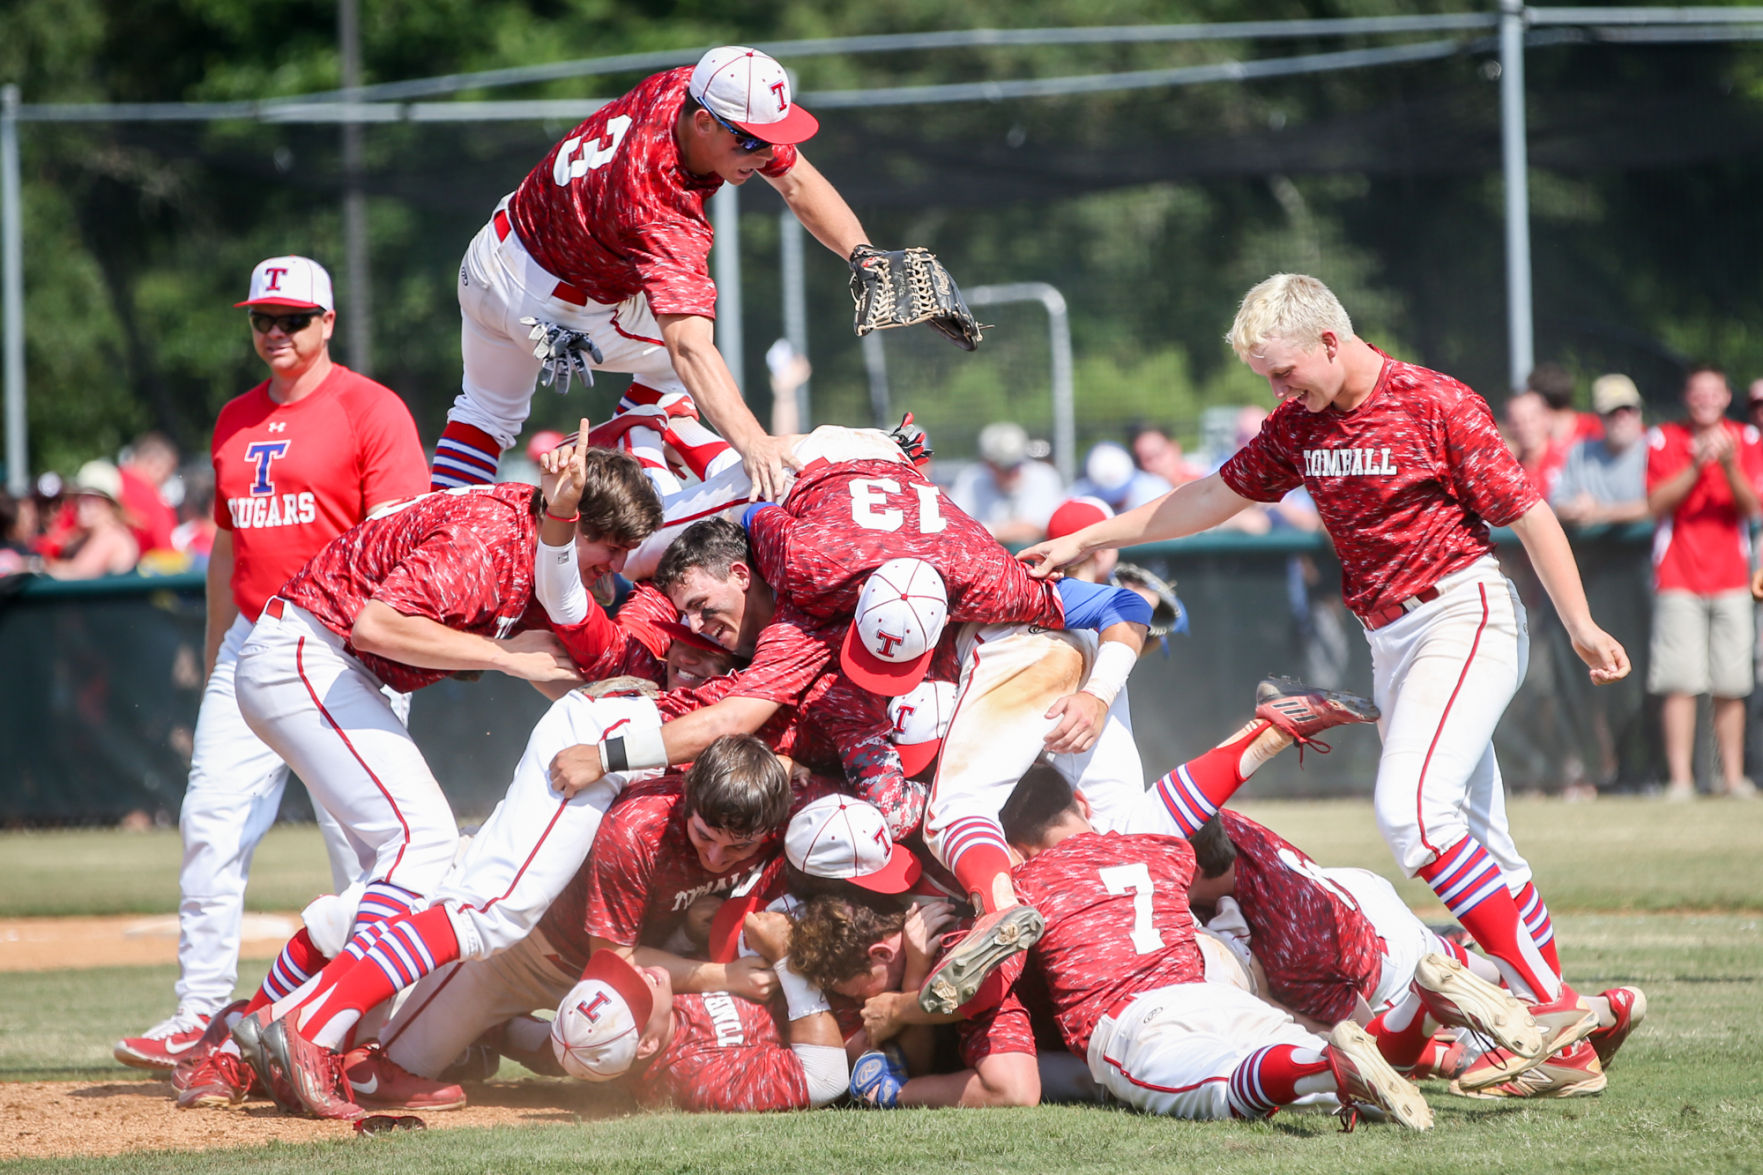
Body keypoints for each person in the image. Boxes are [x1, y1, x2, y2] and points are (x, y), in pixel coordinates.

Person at [1020, 273, 1631, 1091]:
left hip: (1460, 612)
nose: (1277, 390)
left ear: (1330, 341)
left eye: (1282, 371)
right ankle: (1563, 1030)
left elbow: (1529, 512)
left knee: (1413, 816)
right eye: (1266, 379)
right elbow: (1208, 495)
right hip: (1390, 634)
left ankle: (1551, 1019)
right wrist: (1089, 534)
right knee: (1482, 841)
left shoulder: (1430, 399)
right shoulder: (1298, 422)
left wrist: (1581, 623)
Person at [112, 256, 432, 1071]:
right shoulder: (234, 419)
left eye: (292, 317)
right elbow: (228, 546)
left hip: (343, 652)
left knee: (363, 847)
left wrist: (388, 654)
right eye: (262, 318)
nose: (275, 333)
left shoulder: (371, 408)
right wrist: (218, 646)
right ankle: (200, 1012)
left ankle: (369, 1027)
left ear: (328, 322)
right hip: (253, 642)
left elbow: (398, 540)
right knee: (209, 823)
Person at [433, 44, 875, 502]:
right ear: (704, 123)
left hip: (496, 252)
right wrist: (752, 442)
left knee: (484, 416)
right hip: (554, 306)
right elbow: (688, 346)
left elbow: (796, 178)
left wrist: (864, 255)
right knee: (679, 368)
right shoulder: (660, 202)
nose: (765, 153)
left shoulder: (694, 88)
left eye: (771, 137)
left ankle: (439, 531)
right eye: (751, 140)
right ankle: (626, 448)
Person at [1645, 365, 1763, 799]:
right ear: (1686, 397)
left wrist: (1728, 463)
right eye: (1698, 393)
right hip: (1678, 575)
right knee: (1679, 681)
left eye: (1714, 392)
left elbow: (1751, 506)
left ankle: (1732, 778)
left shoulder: (1747, 440)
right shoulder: (1665, 439)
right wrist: (1697, 464)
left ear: (1726, 397)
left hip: (1731, 576)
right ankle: (1681, 780)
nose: (1706, 400)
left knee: (1731, 682)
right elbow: (1656, 503)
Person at [1551, 374, 1649, 527]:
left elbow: (1659, 505)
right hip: (1591, 550)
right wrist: (1575, 510)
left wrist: (1601, 512)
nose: (1622, 417)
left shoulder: (1654, 451)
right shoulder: (1580, 452)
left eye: (1628, 409)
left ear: (1639, 412)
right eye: (1612, 411)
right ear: (1599, 416)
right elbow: (1558, 502)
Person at [948, 421, 1065, 545]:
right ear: (988, 463)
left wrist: (986, 531)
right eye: (1005, 467)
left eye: (1017, 464)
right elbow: (953, 524)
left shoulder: (1043, 476)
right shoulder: (972, 479)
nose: (1013, 472)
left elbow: (1036, 528)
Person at [40, 461, 139, 579]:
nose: (82, 505)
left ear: (109, 505)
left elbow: (79, 572)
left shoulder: (113, 536)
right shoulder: (86, 537)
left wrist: (35, 567)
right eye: (79, 498)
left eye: (91, 499)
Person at [116, 431, 181, 557]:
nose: (165, 480)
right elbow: (167, 552)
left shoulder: (105, 485)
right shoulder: (153, 499)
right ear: (155, 464)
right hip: (137, 572)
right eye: (167, 473)